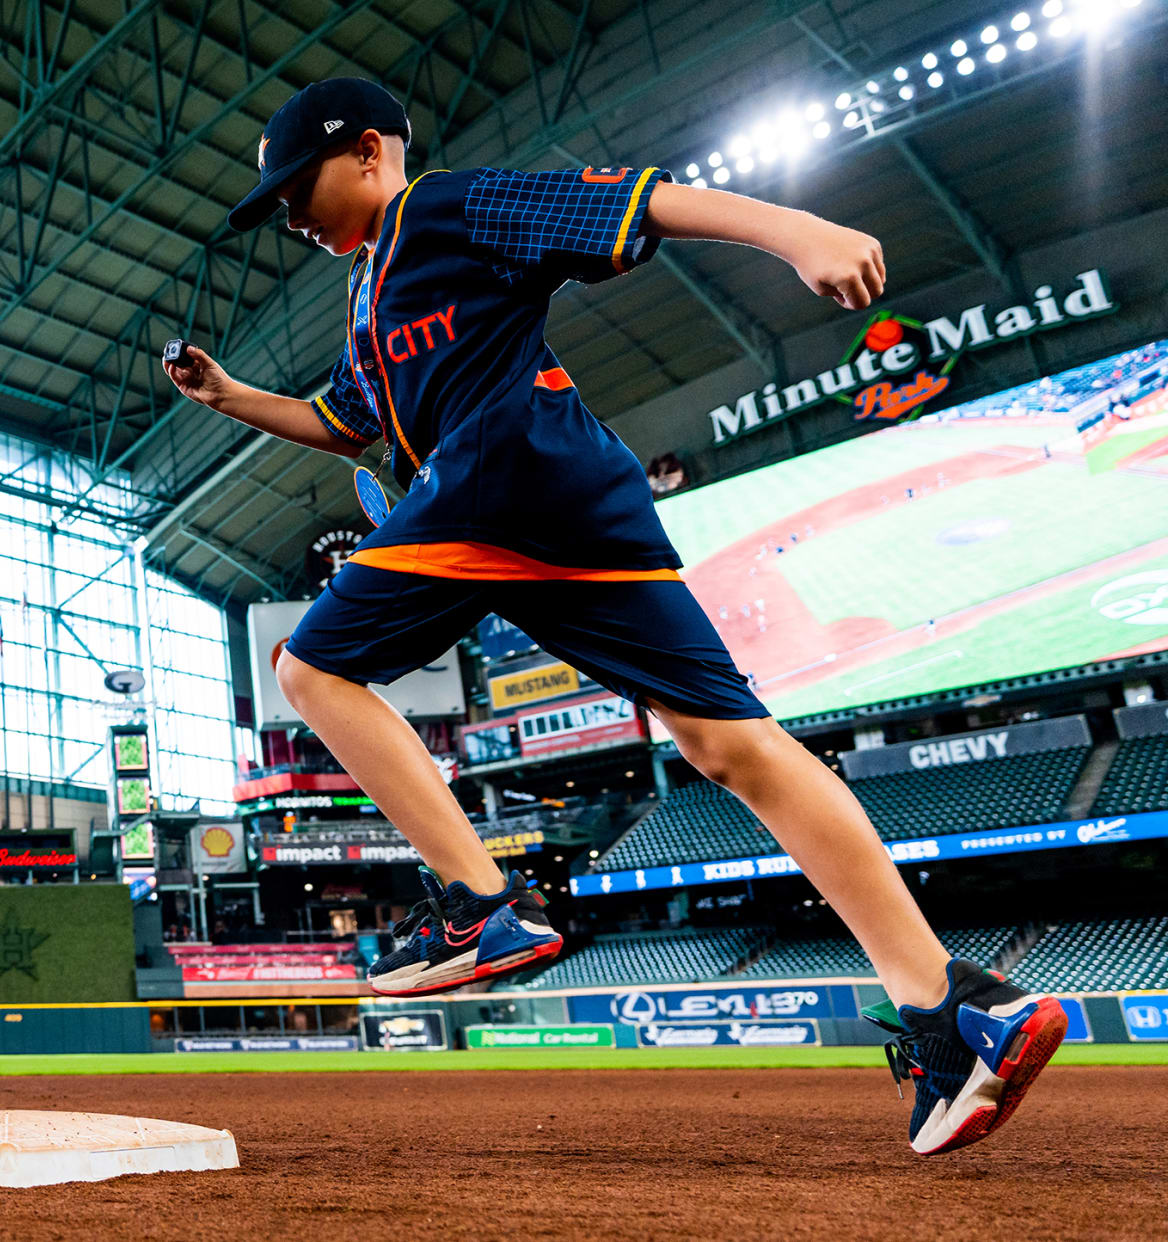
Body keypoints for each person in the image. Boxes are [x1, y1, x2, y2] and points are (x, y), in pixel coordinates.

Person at [165, 77, 1064, 1156]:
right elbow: (338, 419)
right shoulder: (371, 302)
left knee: (310, 669)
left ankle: (478, 901)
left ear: (367, 152)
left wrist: (802, 231)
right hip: (572, 510)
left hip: (504, 480)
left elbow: (637, 202)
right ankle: (956, 1009)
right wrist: (229, 398)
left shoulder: (444, 208)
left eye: (294, 185)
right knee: (730, 743)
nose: (289, 214)